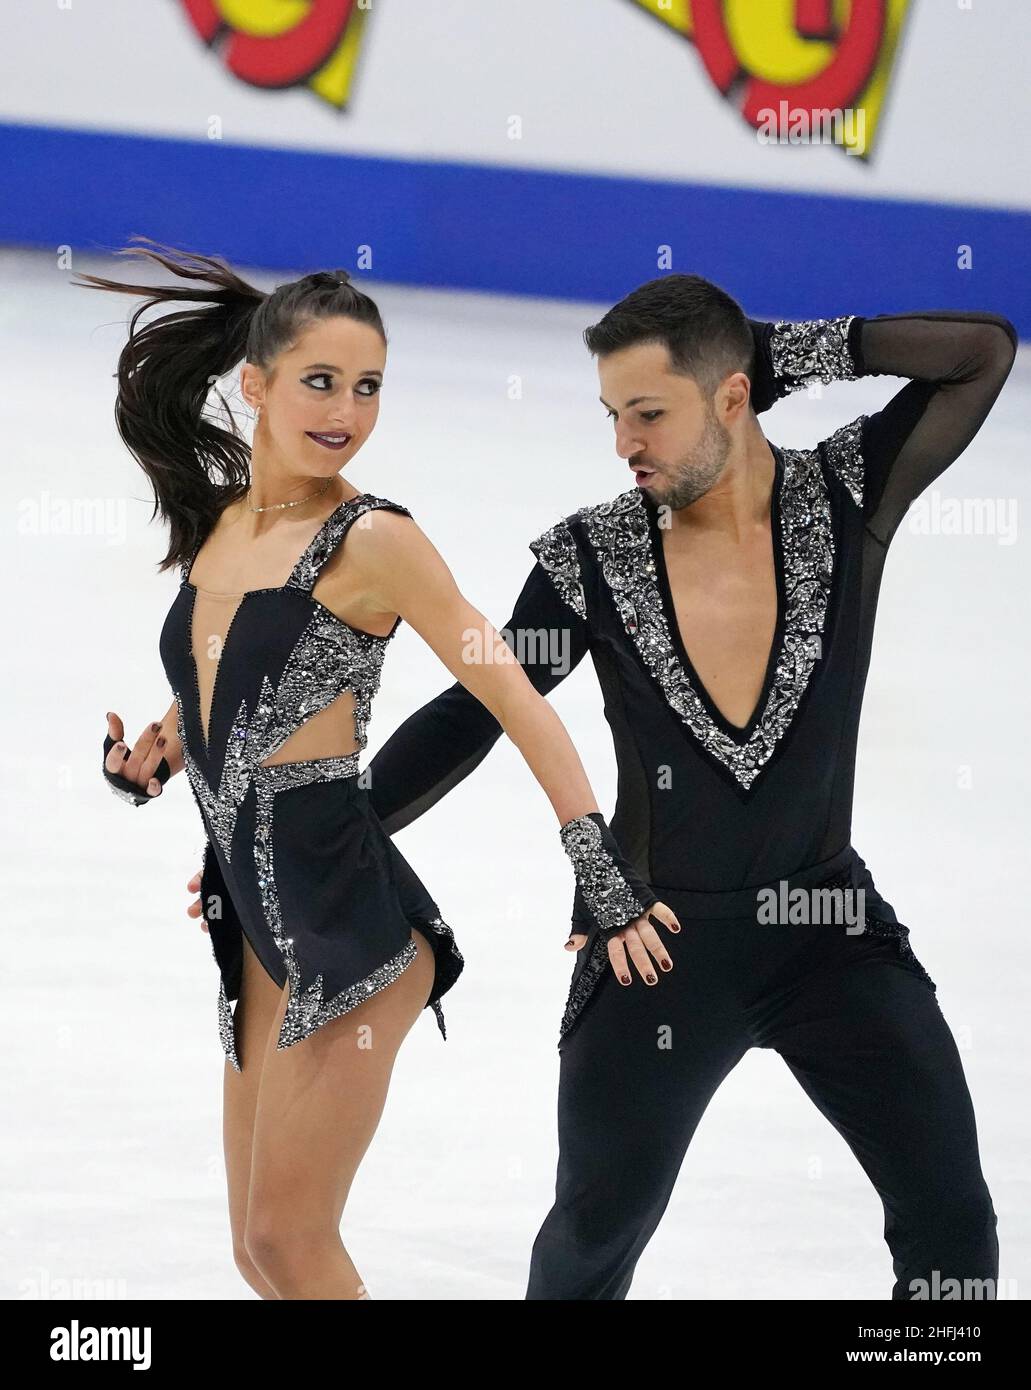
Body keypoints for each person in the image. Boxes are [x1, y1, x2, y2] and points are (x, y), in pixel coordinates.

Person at [282, 274, 1013, 1299]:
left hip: (827, 930)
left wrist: (774, 349)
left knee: (951, 1225)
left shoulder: (846, 496)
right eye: (612, 416)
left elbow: (980, 350)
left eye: (648, 413)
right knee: (593, 1237)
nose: (624, 442)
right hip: (656, 947)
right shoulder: (594, 555)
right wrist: (322, 832)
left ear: (730, 397)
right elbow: (475, 708)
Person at [89, 236, 679, 1301]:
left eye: (367, 387)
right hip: (261, 931)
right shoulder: (223, 525)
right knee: (258, 1251)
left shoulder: (376, 539)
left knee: (292, 1243)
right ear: (255, 387)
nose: (346, 409)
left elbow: (515, 700)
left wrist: (597, 863)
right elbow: (233, 677)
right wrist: (162, 756)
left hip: (355, 932)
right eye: (321, 381)